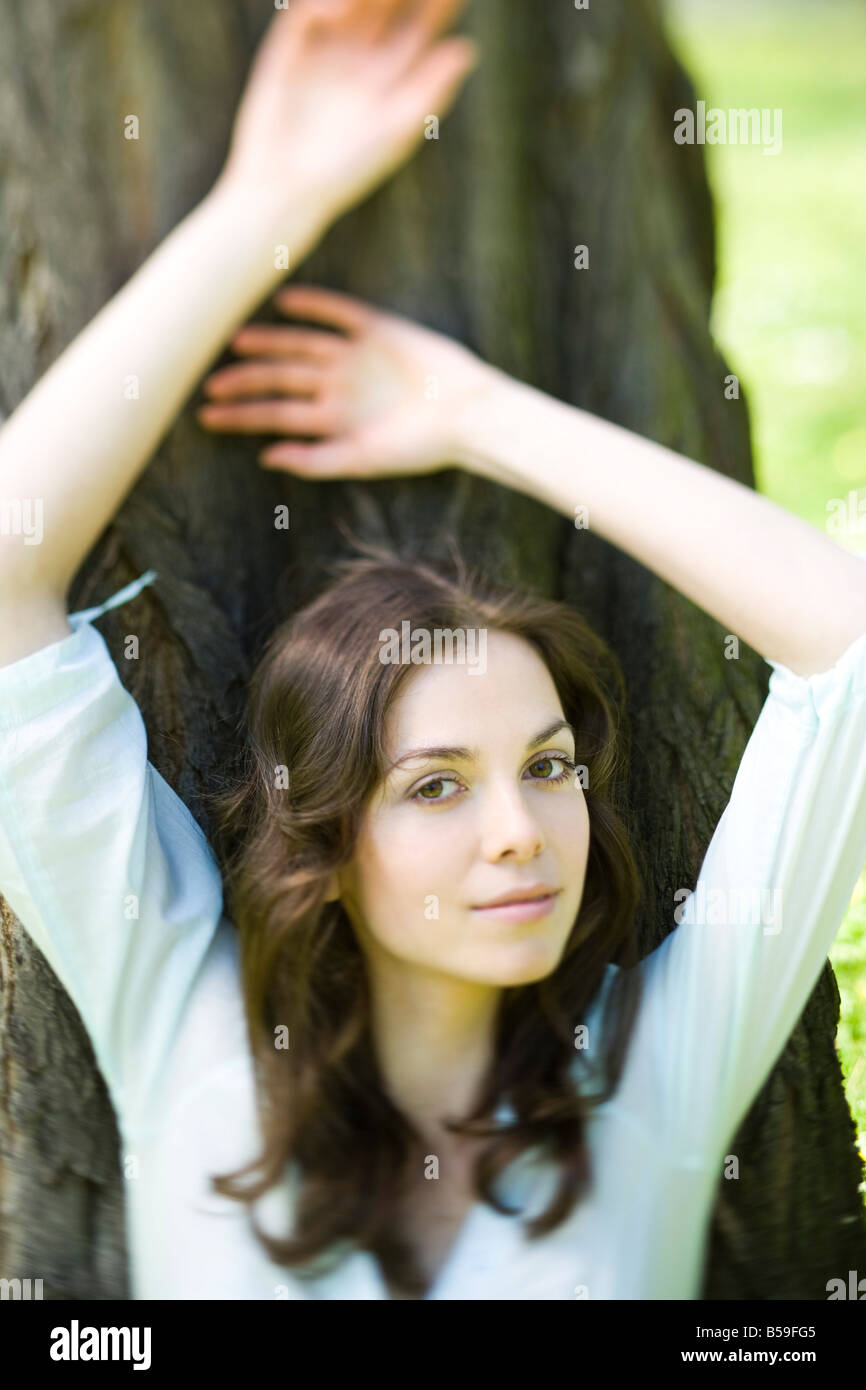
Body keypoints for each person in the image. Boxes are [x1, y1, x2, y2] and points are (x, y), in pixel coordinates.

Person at [1, 0, 865, 1302]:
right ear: (323, 843)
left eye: (550, 765)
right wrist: (265, 199)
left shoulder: (653, 1071)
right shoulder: (181, 1027)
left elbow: (847, 640)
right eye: (436, 783)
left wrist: (478, 411)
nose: (522, 832)